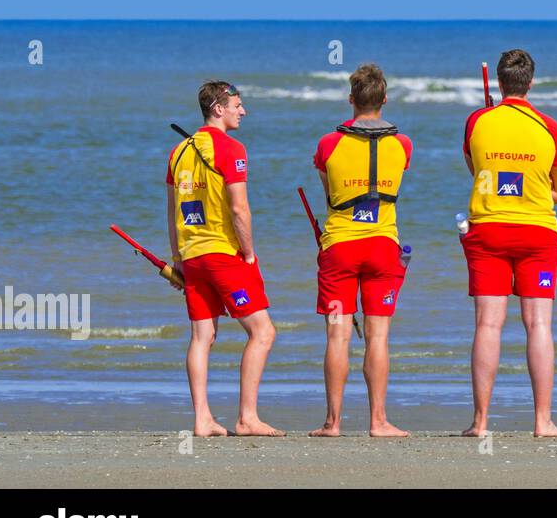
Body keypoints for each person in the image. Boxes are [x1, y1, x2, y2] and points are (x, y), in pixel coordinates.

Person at [460, 49, 557, 437]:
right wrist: (535, 190)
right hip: (537, 233)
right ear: (531, 83)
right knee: (538, 324)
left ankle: (480, 423)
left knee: (488, 324)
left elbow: (477, 171)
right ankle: (543, 421)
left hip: (488, 229)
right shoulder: (550, 127)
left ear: (499, 84)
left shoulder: (477, 121)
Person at [167, 81, 283, 437]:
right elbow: (239, 208)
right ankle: (247, 417)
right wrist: (248, 252)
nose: (242, 111)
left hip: (192, 254)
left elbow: (171, 213)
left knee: (202, 336)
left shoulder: (178, 152)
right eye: (237, 104)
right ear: (218, 108)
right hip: (222, 252)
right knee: (262, 332)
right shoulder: (231, 148)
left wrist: (178, 261)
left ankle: (202, 419)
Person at [309, 63, 413, 438]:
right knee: (379, 336)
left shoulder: (328, 144)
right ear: (384, 100)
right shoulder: (402, 144)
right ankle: (378, 421)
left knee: (337, 335)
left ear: (351, 100)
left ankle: (332, 423)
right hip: (383, 247)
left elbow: (329, 190)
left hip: (339, 248)